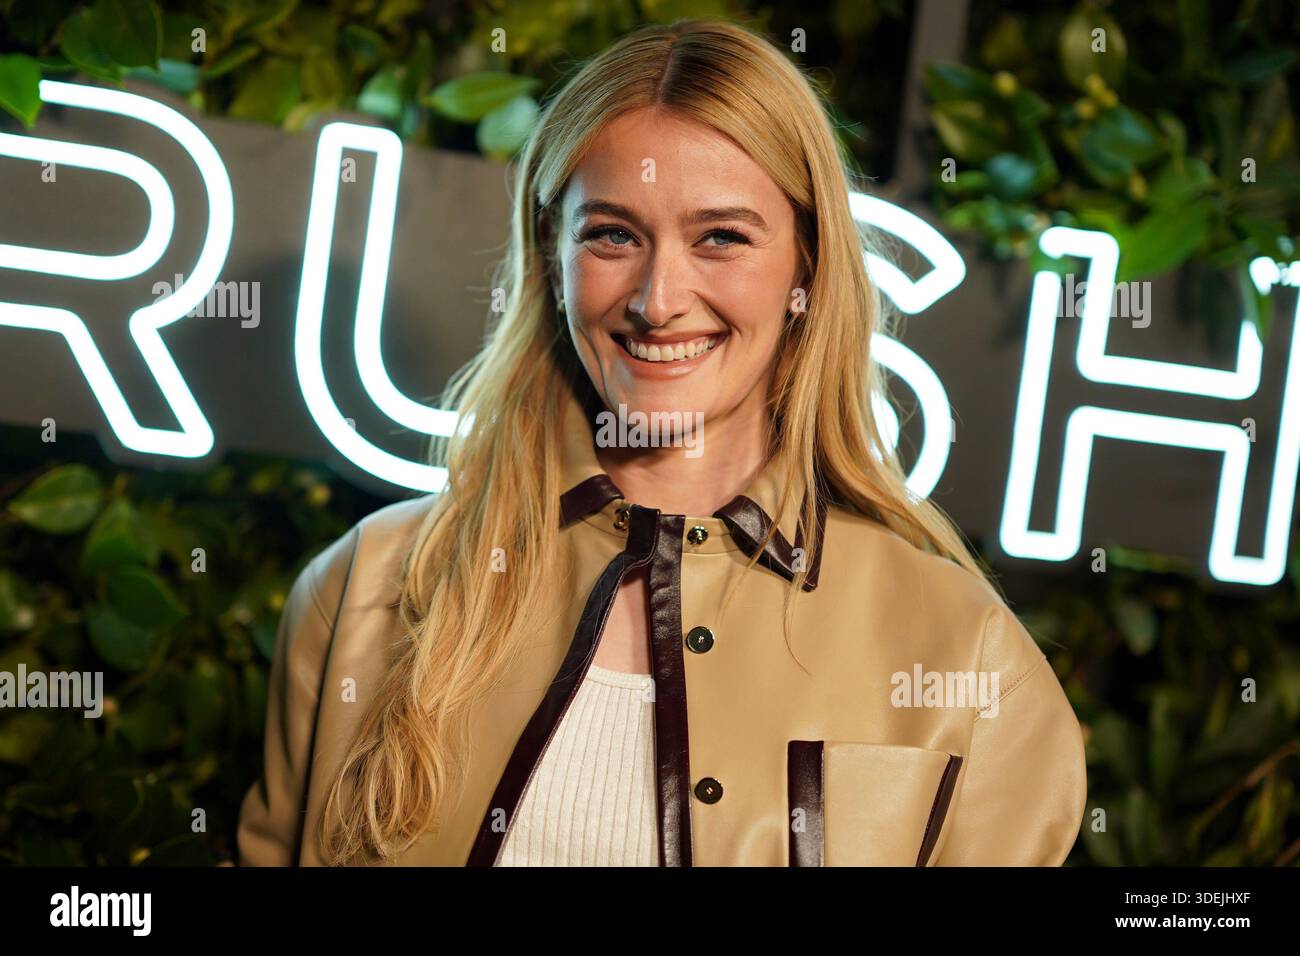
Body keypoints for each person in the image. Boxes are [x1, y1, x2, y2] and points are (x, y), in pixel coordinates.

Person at [238, 18, 1087, 867]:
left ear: (808, 267)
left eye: (721, 236)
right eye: (613, 234)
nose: (658, 299)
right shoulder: (363, 594)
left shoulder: (968, 657)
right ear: (552, 255)